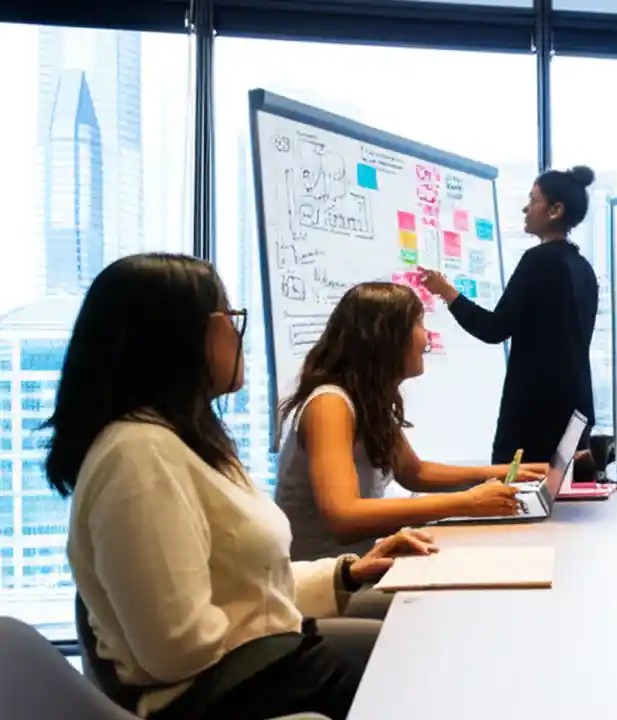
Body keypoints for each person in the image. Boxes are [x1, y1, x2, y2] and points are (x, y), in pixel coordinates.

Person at [45, 254, 435, 719]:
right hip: (216, 693)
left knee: (417, 656)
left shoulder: (185, 441)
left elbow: (245, 586)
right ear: (191, 334)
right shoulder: (138, 455)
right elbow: (178, 648)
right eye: (229, 318)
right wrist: (274, 626)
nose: (237, 333)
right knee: (422, 677)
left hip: (254, 665)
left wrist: (346, 574)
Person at [275, 282, 547, 563]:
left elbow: (415, 473)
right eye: (419, 324)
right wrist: (468, 502)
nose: (425, 336)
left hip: (360, 563)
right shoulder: (330, 405)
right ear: (386, 336)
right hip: (328, 576)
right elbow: (344, 517)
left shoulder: (367, 400)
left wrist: (505, 473)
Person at [421, 166, 599, 464]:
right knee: (563, 492)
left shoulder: (539, 261)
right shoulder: (584, 268)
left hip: (536, 416)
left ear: (555, 210)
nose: (525, 208)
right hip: (575, 413)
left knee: (516, 490)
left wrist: (447, 292)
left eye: (533, 200)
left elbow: (494, 329)